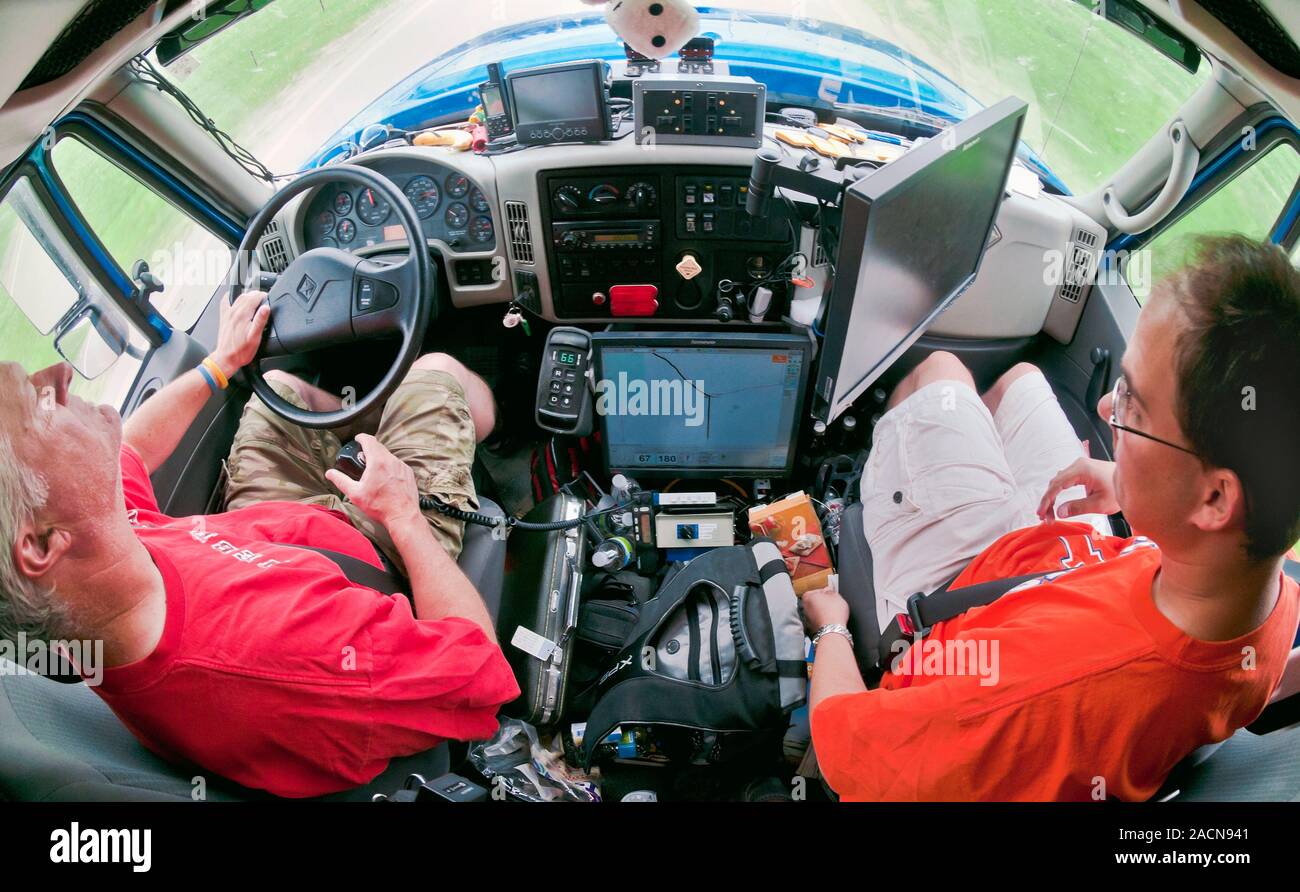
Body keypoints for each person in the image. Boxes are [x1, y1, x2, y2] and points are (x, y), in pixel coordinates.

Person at [803, 235, 1300, 800]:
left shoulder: (1032, 693)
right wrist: (1124, 483)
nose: (1108, 410)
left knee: (938, 373)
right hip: (1064, 565)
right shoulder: (1267, 591)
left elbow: (847, 750)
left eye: (1134, 407)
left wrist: (832, 625)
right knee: (1023, 381)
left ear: (1213, 502)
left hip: (952, 606)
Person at [0, 289, 518, 797]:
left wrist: (220, 365)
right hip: (377, 552)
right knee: (439, 372)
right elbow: (482, 674)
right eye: (39, 407)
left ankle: (391, 420)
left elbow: (129, 448)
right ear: (42, 545)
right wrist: (403, 513)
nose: (61, 374)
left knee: (279, 385)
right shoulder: (285, 653)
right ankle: (469, 424)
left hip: (267, 534)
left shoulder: (99, 551)